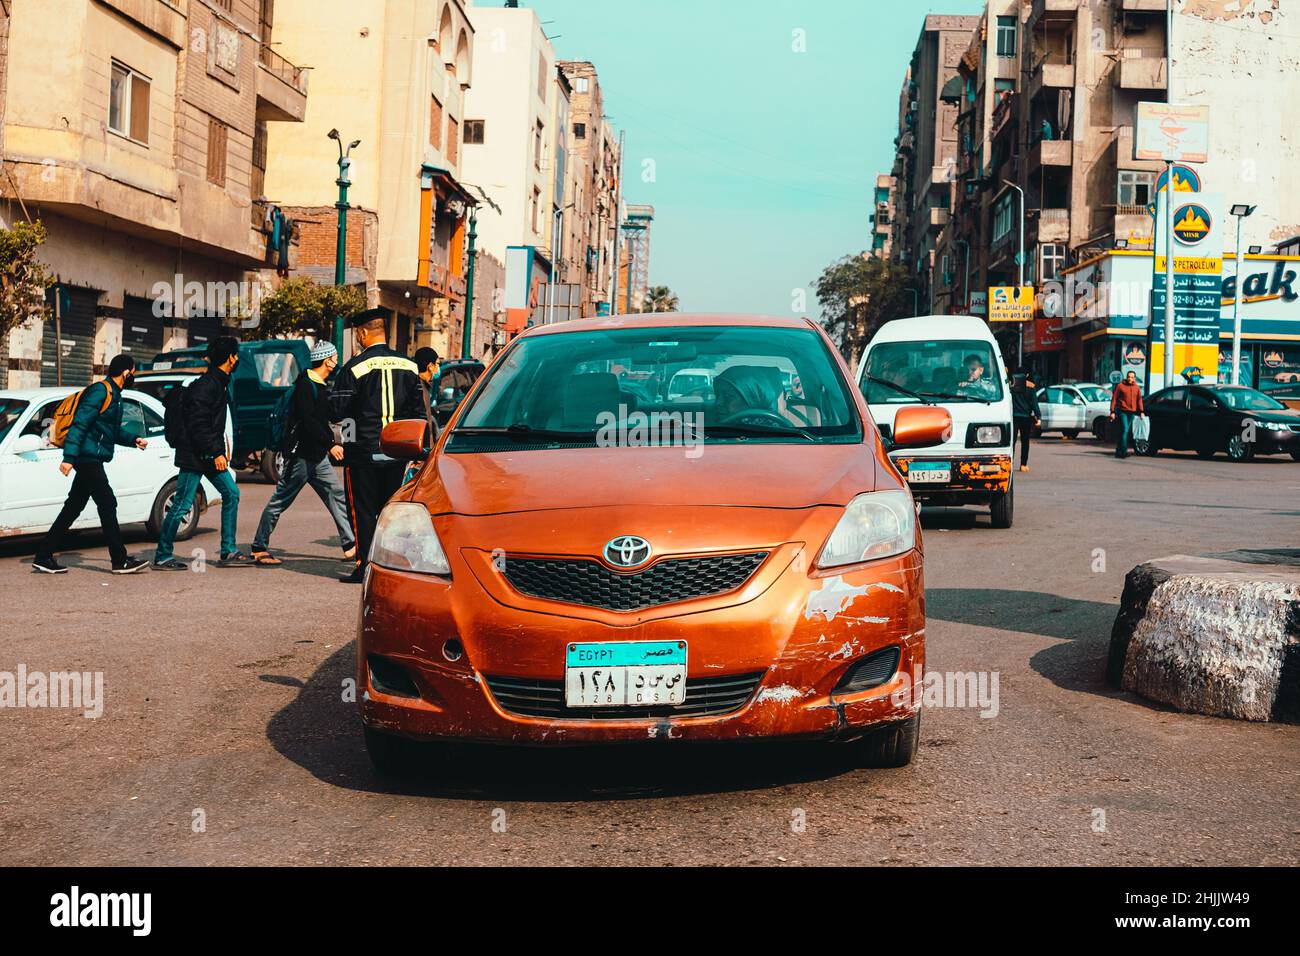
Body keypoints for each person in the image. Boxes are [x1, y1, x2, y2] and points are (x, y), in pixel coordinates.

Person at [33, 355, 151, 574]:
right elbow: (79, 424)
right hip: (86, 457)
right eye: (133, 372)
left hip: (91, 456)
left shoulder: (115, 394)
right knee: (107, 502)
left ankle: (43, 555)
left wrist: (133, 439)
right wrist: (69, 458)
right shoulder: (101, 392)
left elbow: (110, 430)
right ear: (126, 373)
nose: (133, 377)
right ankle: (119, 560)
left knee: (74, 506)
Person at [331, 308, 425, 584]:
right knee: (393, 512)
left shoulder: (354, 367)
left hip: (363, 452)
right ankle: (394, 567)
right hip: (398, 452)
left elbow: (338, 410)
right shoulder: (409, 365)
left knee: (362, 512)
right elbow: (418, 413)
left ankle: (365, 567)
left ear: (362, 333)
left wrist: (348, 435)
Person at [249, 341, 357, 566]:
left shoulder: (320, 385)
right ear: (327, 361)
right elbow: (309, 422)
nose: (337, 361)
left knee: (336, 494)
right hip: (301, 456)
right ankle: (259, 547)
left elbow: (326, 418)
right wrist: (331, 444)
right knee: (280, 500)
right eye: (335, 357)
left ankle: (350, 545)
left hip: (317, 457)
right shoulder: (305, 386)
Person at [153, 336, 246, 569]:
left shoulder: (219, 382)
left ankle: (228, 550)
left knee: (231, 493)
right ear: (230, 358)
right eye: (236, 355)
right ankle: (163, 555)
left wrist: (216, 452)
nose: (237, 359)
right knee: (182, 504)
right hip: (194, 455)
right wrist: (216, 453)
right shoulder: (207, 386)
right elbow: (199, 424)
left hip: (207, 454)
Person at [1009, 369, 1041, 472]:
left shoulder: (1010, 385)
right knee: (1025, 442)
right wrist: (1038, 417)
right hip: (1026, 417)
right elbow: (1034, 403)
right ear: (1026, 375)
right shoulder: (1030, 386)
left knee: (1012, 442)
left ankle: (1010, 463)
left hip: (1013, 417)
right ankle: (1023, 464)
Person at [1110, 370, 1145, 459]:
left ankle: (1118, 451)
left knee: (1124, 431)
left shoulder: (1136, 387)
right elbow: (1114, 399)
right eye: (1129, 377)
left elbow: (1139, 400)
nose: (1130, 379)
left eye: (1132, 377)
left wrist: (1141, 411)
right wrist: (1112, 412)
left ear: (1134, 378)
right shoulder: (1120, 386)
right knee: (1125, 430)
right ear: (1126, 377)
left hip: (1132, 412)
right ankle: (1124, 451)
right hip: (1123, 412)